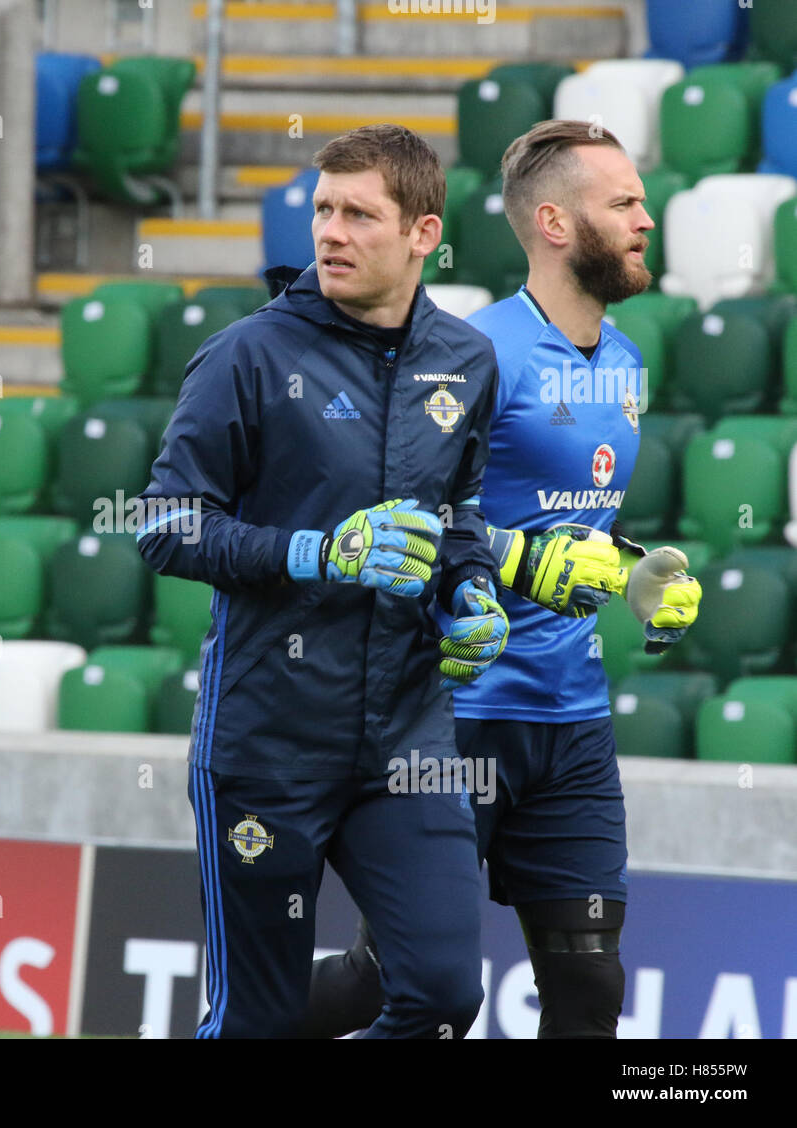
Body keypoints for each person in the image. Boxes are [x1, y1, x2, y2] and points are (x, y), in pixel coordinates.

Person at [301, 120, 702, 1040]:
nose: (646, 219)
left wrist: (634, 576)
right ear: (555, 224)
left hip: (572, 724)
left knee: (590, 993)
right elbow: (399, 511)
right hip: (456, 712)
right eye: (625, 203)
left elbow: (572, 524)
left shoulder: (627, 362)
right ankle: (230, 1022)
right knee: (384, 983)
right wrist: (522, 561)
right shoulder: (471, 355)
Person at [136, 123, 514, 1039]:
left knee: (443, 994)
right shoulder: (246, 356)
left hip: (408, 740)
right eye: (323, 210)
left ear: (424, 234)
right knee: (257, 1019)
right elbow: (163, 525)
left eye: (359, 215)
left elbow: (458, 514)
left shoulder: (467, 362)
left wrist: (471, 591)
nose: (331, 233)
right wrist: (313, 553)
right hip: (268, 742)